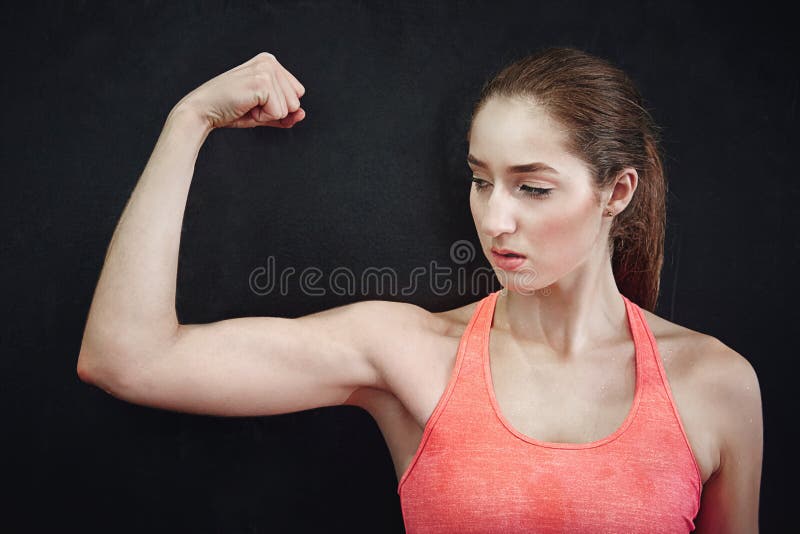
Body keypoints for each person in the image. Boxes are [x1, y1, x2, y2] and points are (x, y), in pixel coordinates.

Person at [77, 48, 763, 532]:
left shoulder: (714, 384)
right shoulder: (410, 355)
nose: (496, 219)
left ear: (616, 192)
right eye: (481, 180)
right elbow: (126, 358)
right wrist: (189, 120)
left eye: (533, 186)